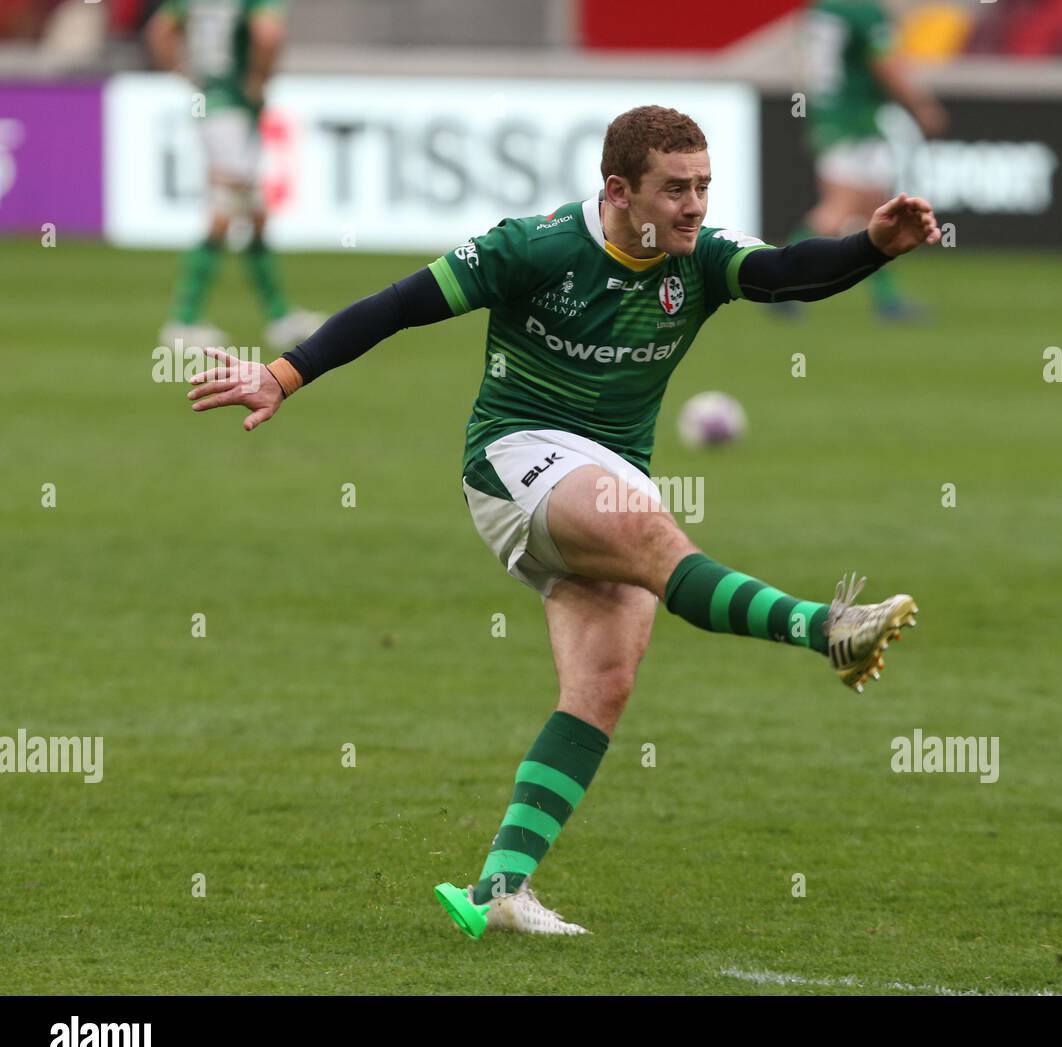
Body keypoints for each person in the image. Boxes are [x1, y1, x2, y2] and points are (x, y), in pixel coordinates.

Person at [185, 106, 939, 938]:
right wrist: (284, 376)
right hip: (516, 462)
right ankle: (826, 628)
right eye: (675, 189)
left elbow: (796, 270)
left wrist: (873, 247)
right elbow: (399, 305)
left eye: (703, 187)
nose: (694, 206)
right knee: (656, 539)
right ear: (619, 191)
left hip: (606, 475)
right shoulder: (535, 248)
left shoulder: (704, 259)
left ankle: (499, 891)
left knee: (602, 688)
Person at [146, 0, 321, 349]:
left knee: (254, 212)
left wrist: (185, 73)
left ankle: (279, 315)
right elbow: (268, 34)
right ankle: (184, 319)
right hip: (234, 109)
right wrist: (258, 80)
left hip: (212, 102)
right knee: (226, 209)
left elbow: (159, 30)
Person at [793, 0, 948, 321]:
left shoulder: (823, 8)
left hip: (830, 115)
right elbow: (886, 64)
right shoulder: (862, 9)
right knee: (839, 210)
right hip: (857, 121)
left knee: (869, 211)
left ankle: (886, 299)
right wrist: (921, 107)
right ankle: (780, 280)